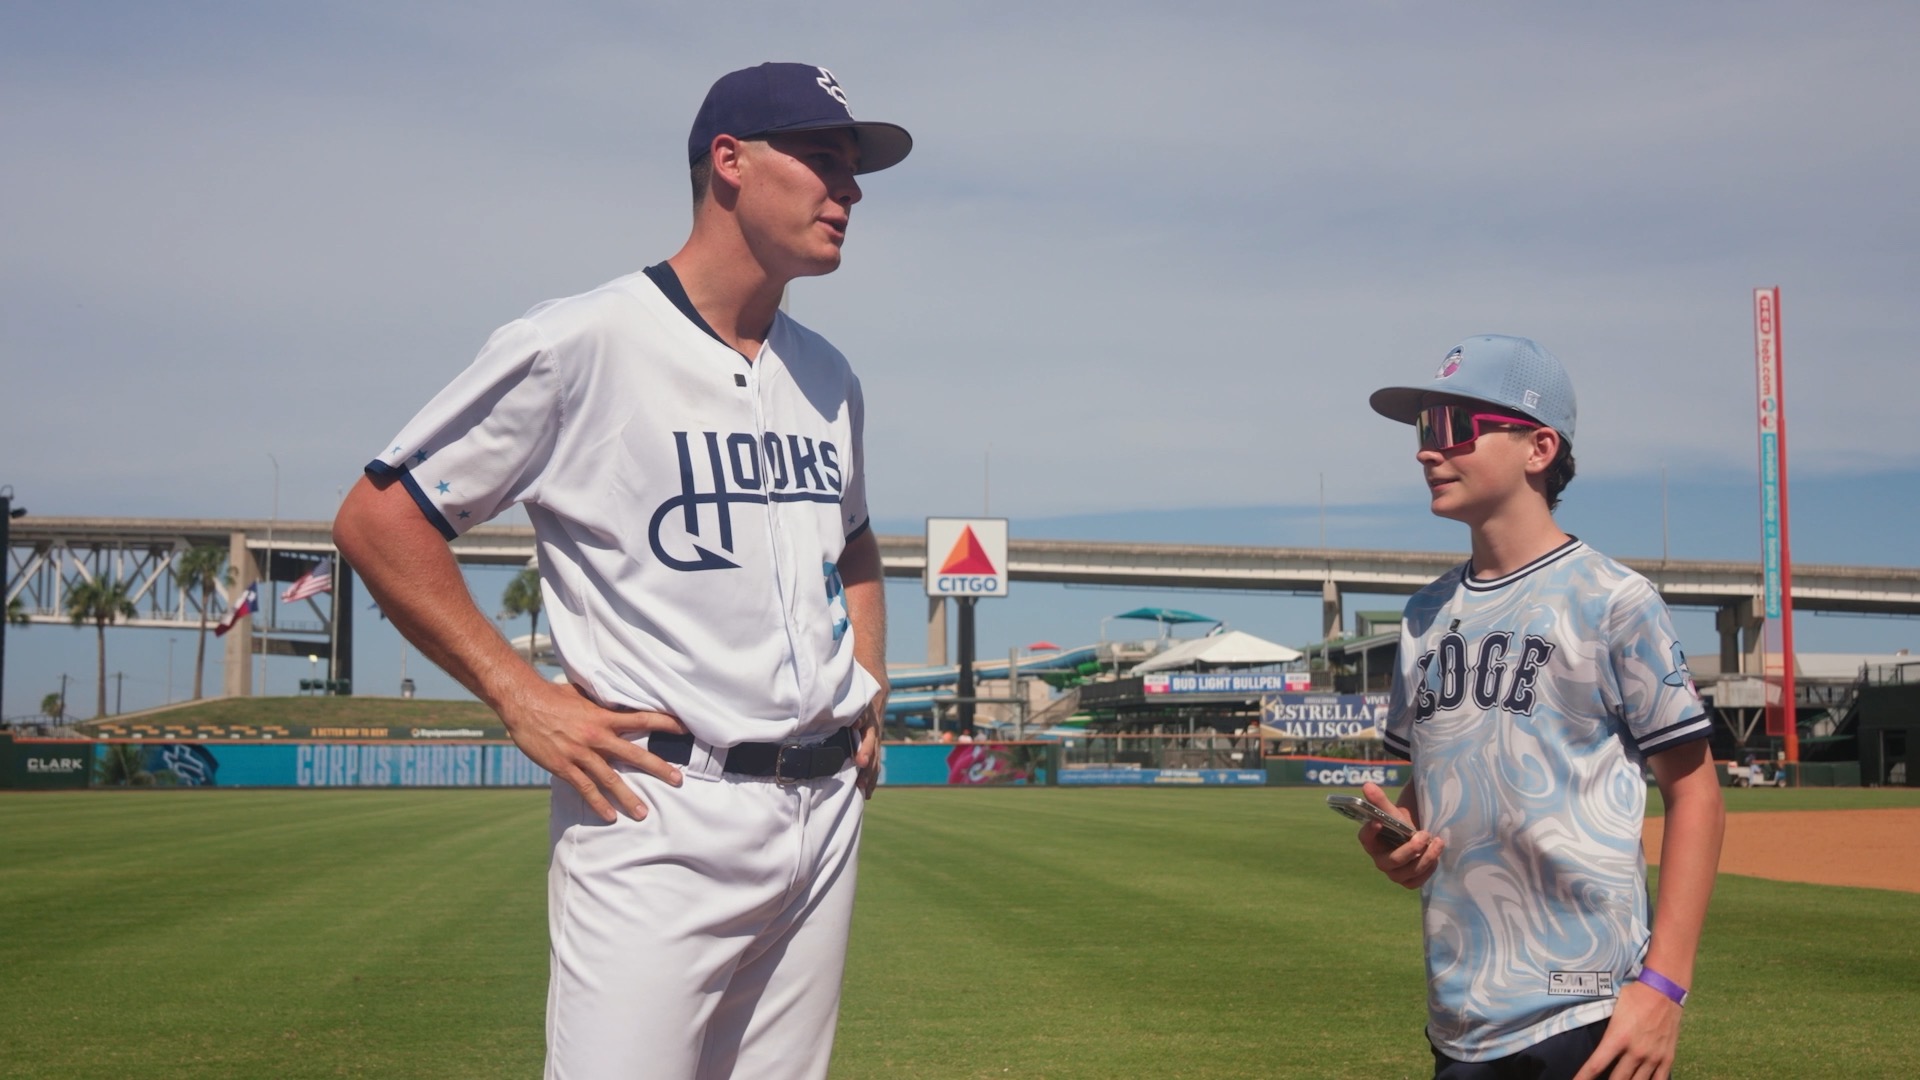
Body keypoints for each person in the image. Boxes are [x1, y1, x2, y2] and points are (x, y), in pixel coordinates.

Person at [332, 62, 910, 1080]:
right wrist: (520, 697)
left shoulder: (828, 375)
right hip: (662, 813)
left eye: (854, 168)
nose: (849, 190)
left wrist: (870, 679)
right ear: (729, 163)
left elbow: (856, 540)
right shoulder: (581, 342)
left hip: (823, 821)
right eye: (823, 158)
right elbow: (382, 520)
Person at [1352, 335, 1726, 1080]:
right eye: (1425, 431)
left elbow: (1698, 794)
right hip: (1459, 1007)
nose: (1428, 451)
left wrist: (1664, 988)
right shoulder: (1424, 616)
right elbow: (1427, 791)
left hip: (1584, 1009)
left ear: (1539, 448)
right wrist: (1396, 842)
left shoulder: (1614, 601)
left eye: (1455, 428)